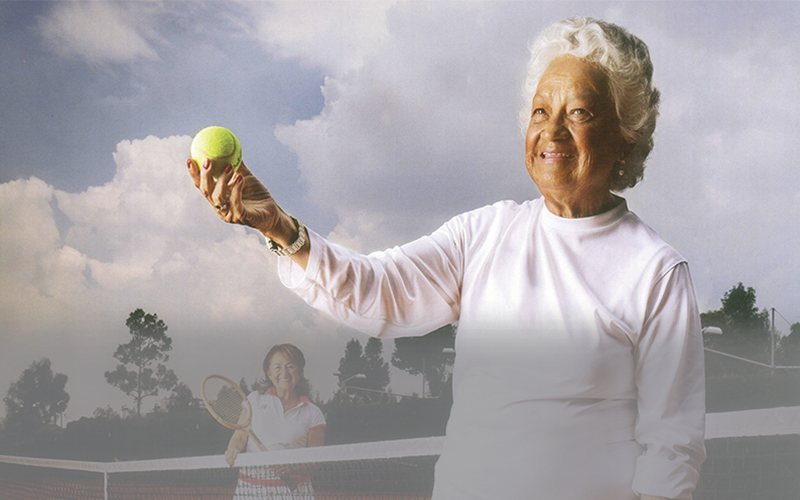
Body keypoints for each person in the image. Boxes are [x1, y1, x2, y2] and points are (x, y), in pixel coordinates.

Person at [189, 17, 705, 500]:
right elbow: (376, 290)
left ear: (625, 137)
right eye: (541, 111)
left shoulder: (656, 271)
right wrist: (277, 224)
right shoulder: (484, 234)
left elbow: (672, 451)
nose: (552, 130)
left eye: (580, 112)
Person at [225, 344, 325, 499]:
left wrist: (293, 468)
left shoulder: (313, 412)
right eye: (277, 367)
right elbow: (239, 437)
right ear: (268, 372)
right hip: (252, 490)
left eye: (290, 366)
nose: (284, 373)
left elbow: (316, 460)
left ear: (299, 371)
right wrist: (233, 448)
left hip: (295, 492)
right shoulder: (253, 400)